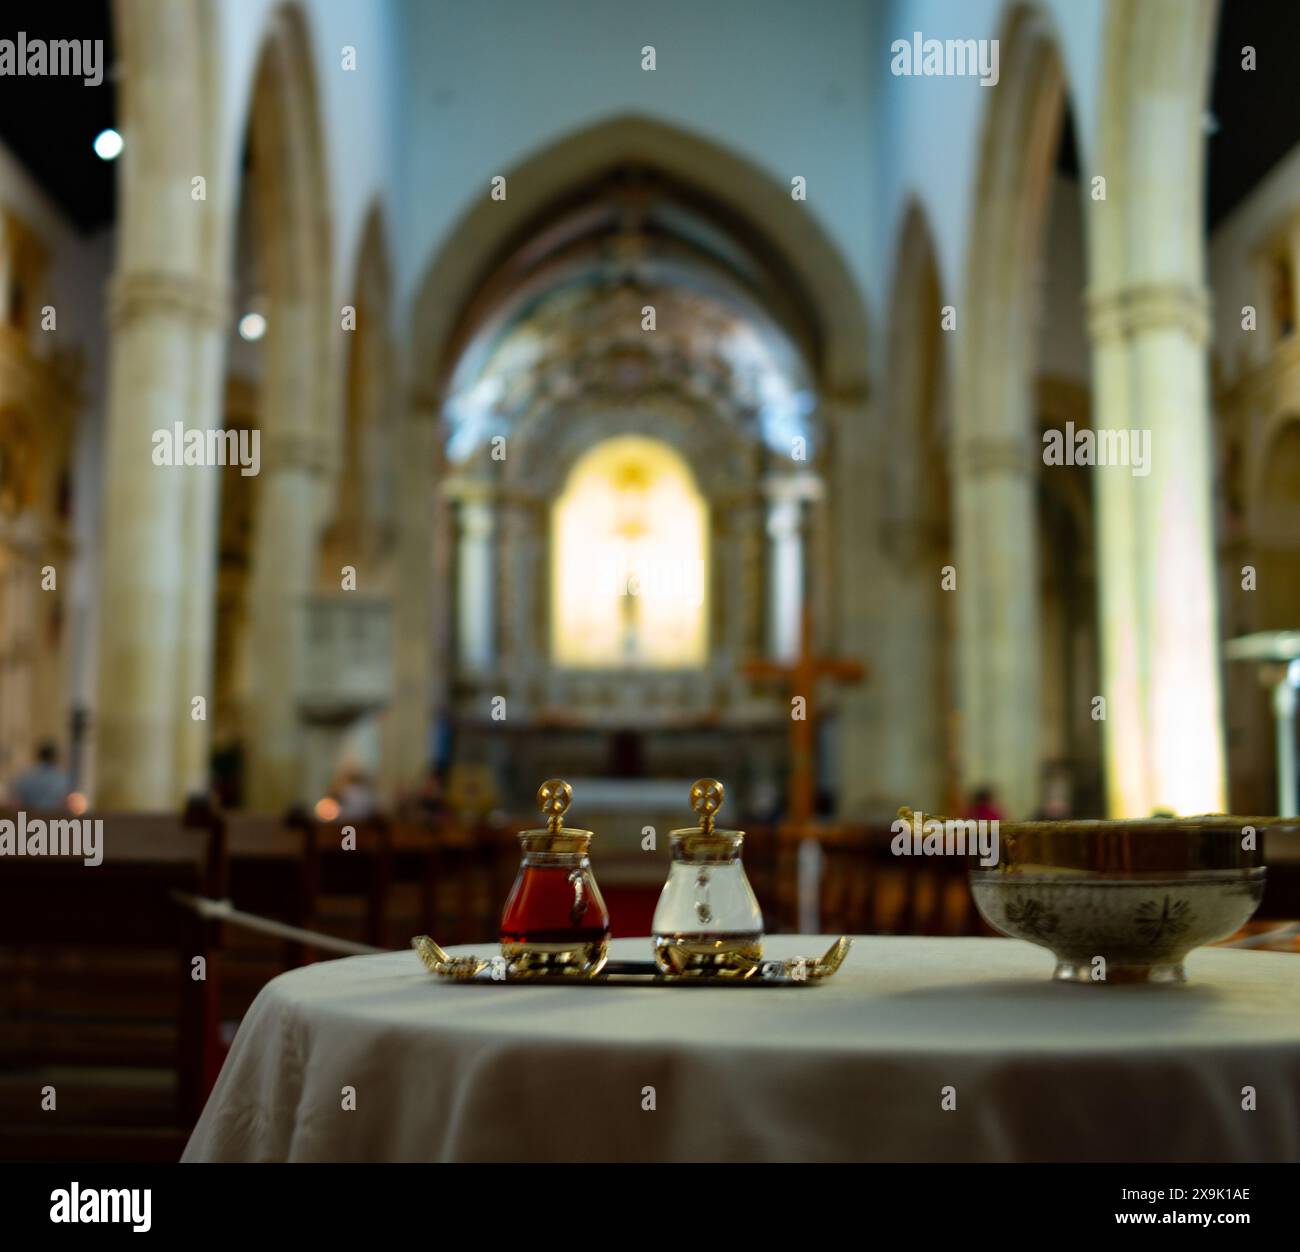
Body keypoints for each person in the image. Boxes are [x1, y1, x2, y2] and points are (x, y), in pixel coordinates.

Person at [13, 741, 71, 810]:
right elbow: (64, 800)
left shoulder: (28, 775)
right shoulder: (60, 778)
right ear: (53, 757)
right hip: (53, 817)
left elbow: (17, 796)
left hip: (29, 816)